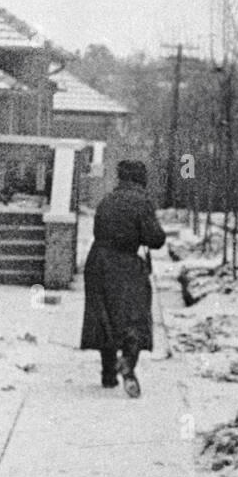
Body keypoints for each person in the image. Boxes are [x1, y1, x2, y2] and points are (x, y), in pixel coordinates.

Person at [80, 160, 167, 394]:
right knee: (134, 317)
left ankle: (108, 374)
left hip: (97, 263)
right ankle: (127, 362)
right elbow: (155, 238)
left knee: (105, 317)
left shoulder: (107, 200)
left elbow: (99, 230)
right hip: (125, 265)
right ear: (141, 178)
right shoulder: (142, 201)